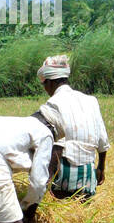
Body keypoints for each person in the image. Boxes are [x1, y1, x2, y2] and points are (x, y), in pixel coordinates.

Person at [36, 54, 109, 200]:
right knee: (82, 212)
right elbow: (102, 140)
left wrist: (47, 182)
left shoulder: (54, 103)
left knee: (60, 210)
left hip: (64, 175)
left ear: (49, 82)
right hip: (88, 176)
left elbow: (57, 145)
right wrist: (100, 168)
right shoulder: (91, 101)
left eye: (44, 85)